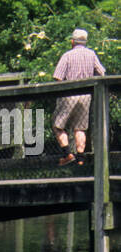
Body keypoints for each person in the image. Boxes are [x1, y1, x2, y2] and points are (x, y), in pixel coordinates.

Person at [52, 29, 106, 165]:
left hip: (68, 94)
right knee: (80, 128)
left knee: (57, 126)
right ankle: (80, 159)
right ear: (85, 41)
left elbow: (57, 76)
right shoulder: (91, 54)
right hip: (85, 96)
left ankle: (67, 154)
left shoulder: (67, 56)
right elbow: (102, 73)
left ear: (72, 41)